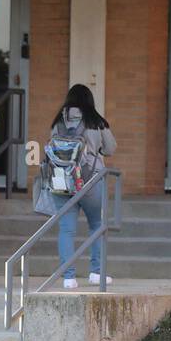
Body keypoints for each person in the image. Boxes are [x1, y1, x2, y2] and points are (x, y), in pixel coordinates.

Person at [48, 84, 118, 289]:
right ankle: (97, 273)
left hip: (61, 181)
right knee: (97, 225)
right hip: (91, 181)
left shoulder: (58, 121)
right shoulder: (96, 121)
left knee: (66, 230)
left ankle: (68, 278)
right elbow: (111, 148)